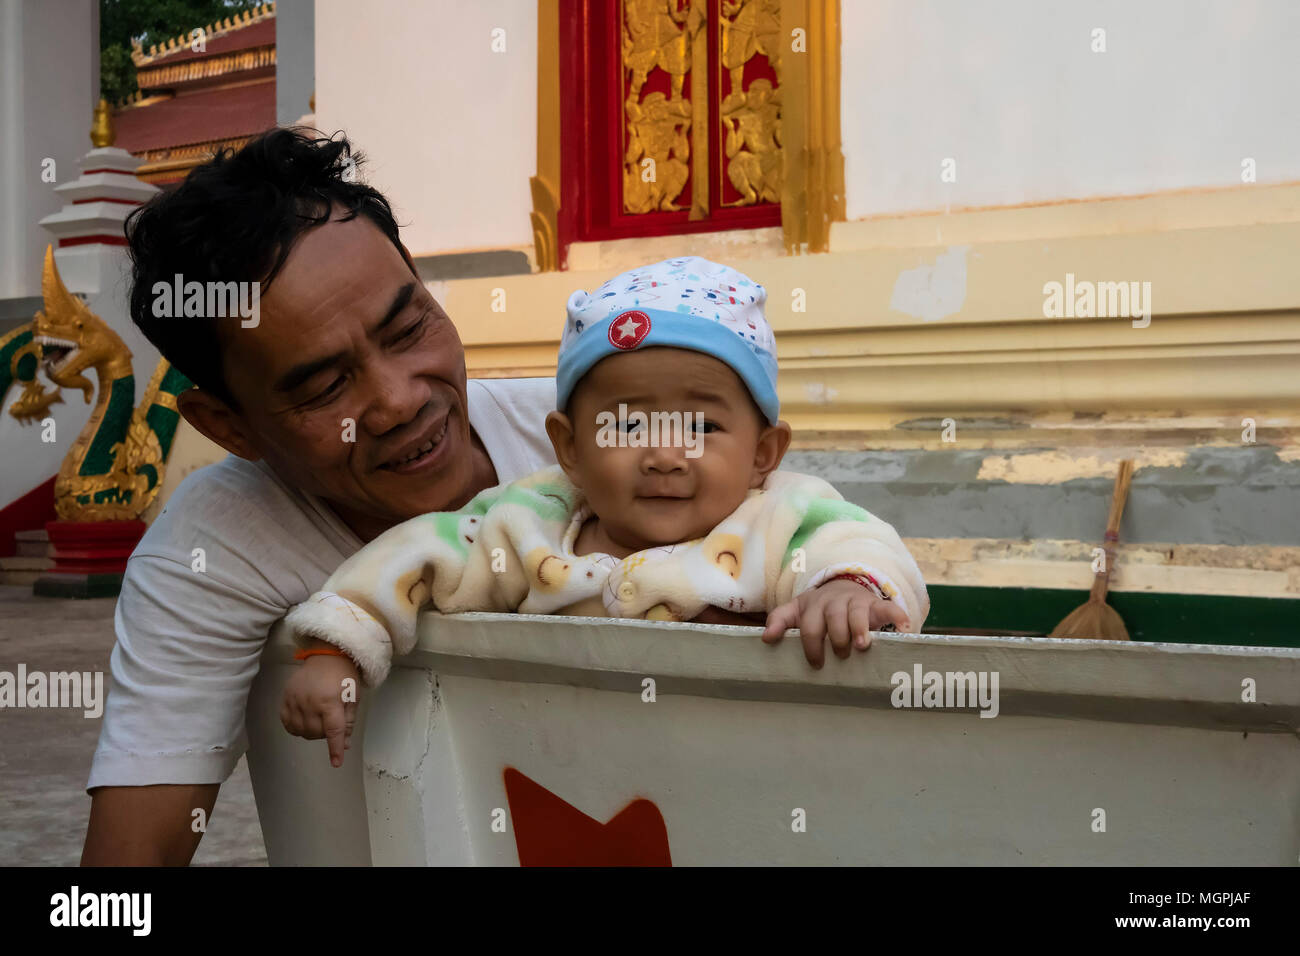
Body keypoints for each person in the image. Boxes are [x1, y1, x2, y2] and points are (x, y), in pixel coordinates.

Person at [81, 129, 556, 865]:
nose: (399, 401)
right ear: (229, 426)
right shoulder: (217, 547)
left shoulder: (593, 442)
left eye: (408, 328)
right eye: (325, 387)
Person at [280, 258, 929, 761]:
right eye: (625, 425)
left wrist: (846, 589)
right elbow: (417, 554)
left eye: (700, 425)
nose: (664, 455)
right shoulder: (527, 522)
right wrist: (334, 648)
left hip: (748, 772)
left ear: (764, 452)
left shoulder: (781, 518)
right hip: (559, 773)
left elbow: (857, 544)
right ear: (569, 447)